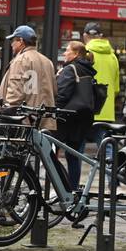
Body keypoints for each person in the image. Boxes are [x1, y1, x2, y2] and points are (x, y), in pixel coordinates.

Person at [54, 40, 98, 188]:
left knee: (48, 152)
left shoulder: (70, 69)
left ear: (76, 53)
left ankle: (62, 187)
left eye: (67, 50)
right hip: (83, 118)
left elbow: (62, 95)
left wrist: (52, 113)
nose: (65, 53)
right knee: (73, 155)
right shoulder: (87, 69)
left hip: (67, 118)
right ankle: (72, 189)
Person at [0, 25, 56, 128]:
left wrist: (6, 112)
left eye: (13, 41)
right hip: (45, 119)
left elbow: (15, 93)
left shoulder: (20, 60)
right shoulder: (48, 62)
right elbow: (54, 91)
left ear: (21, 41)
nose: (11, 44)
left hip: (25, 120)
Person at [83, 22, 120, 128]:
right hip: (106, 111)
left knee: (77, 143)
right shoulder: (113, 57)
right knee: (105, 142)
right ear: (100, 36)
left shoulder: (85, 53)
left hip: (86, 108)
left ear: (85, 36)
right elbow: (116, 89)